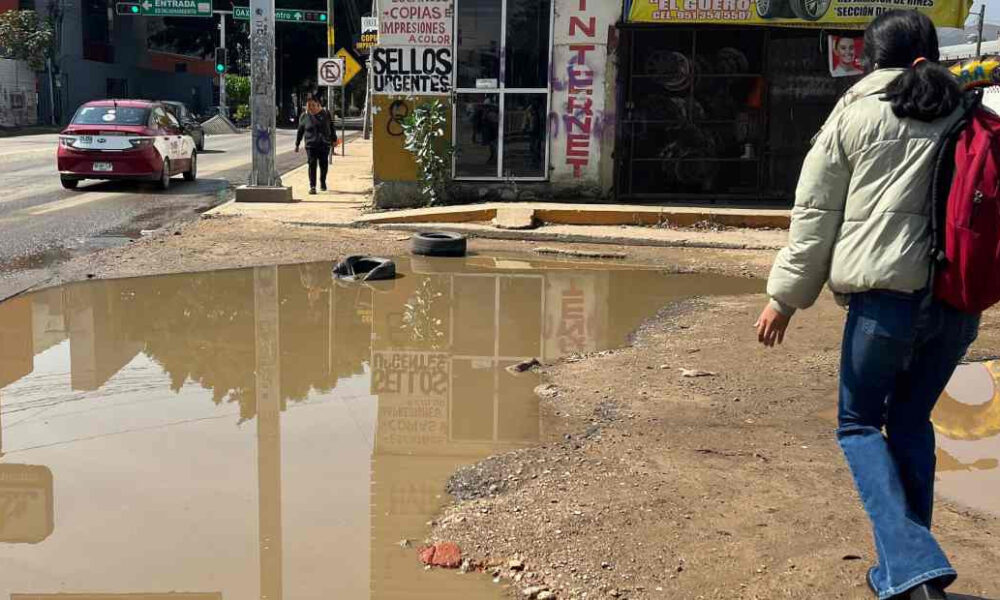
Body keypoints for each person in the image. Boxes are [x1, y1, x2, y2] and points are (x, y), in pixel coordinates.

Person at [755, 10, 978, 600]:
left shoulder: (853, 114)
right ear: (928, 53)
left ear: (869, 59)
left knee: (858, 425)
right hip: (956, 304)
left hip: (883, 305)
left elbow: (815, 218)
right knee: (909, 422)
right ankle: (908, 574)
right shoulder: (970, 113)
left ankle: (912, 562)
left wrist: (784, 298)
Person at [295, 94, 336, 194]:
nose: (311, 108)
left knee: (324, 164)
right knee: (312, 164)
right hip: (311, 145)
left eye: (313, 105)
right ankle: (312, 186)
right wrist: (297, 144)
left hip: (324, 144)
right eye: (309, 106)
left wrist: (334, 140)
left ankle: (322, 181)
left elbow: (331, 127)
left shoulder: (325, 114)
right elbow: (300, 131)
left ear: (318, 105)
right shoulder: (304, 116)